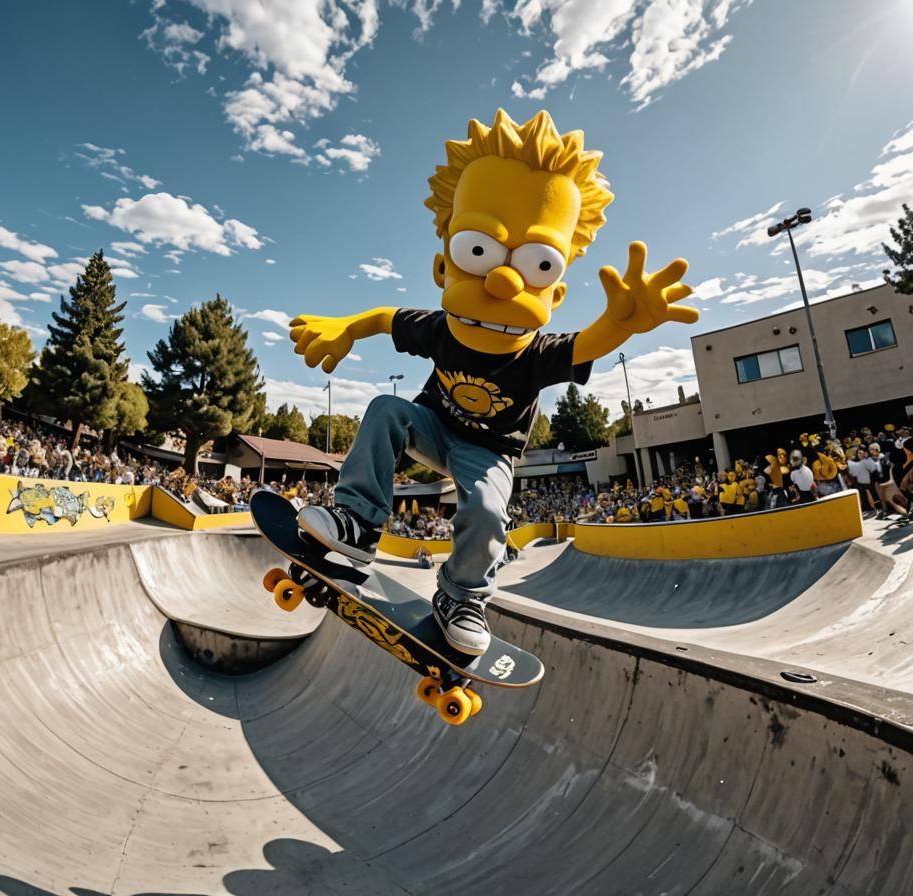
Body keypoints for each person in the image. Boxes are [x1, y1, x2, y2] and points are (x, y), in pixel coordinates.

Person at [289, 109, 698, 655]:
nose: (503, 280)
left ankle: (462, 596)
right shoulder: (441, 329)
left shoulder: (539, 353)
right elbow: (387, 317)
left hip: (491, 451)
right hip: (432, 428)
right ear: (444, 268)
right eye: (477, 253)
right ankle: (357, 522)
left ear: (554, 295)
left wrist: (620, 324)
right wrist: (345, 327)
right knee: (387, 409)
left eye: (537, 266)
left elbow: (587, 345)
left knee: (484, 509)